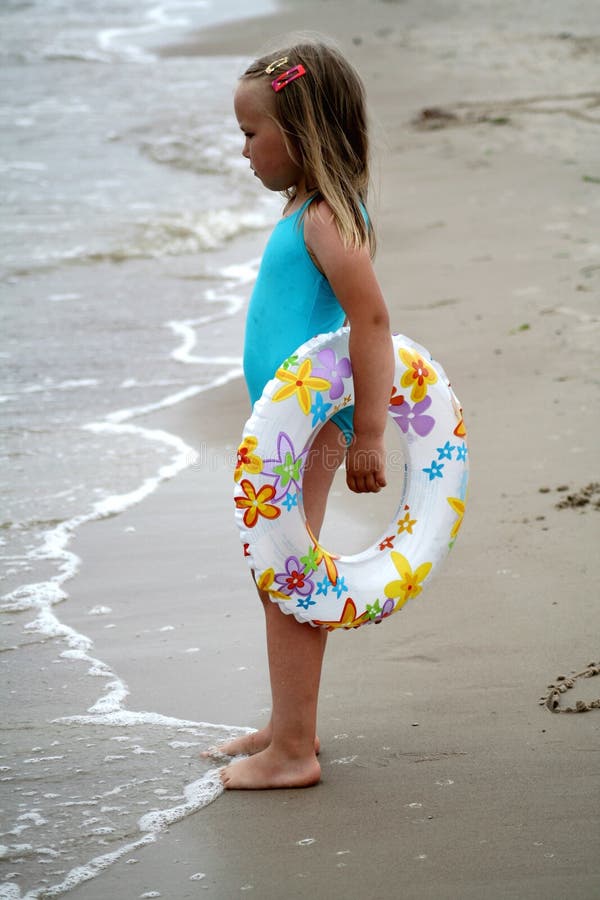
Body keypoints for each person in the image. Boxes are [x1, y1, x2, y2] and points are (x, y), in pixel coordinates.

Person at [216, 39, 394, 789]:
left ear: (301, 131)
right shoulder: (308, 209)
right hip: (288, 425)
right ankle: (287, 727)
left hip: (312, 429)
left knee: (284, 570)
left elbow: (372, 320)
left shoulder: (324, 217)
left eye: (252, 134)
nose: (244, 150)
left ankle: (294, 751)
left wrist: (372, 433)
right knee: (276, 570)